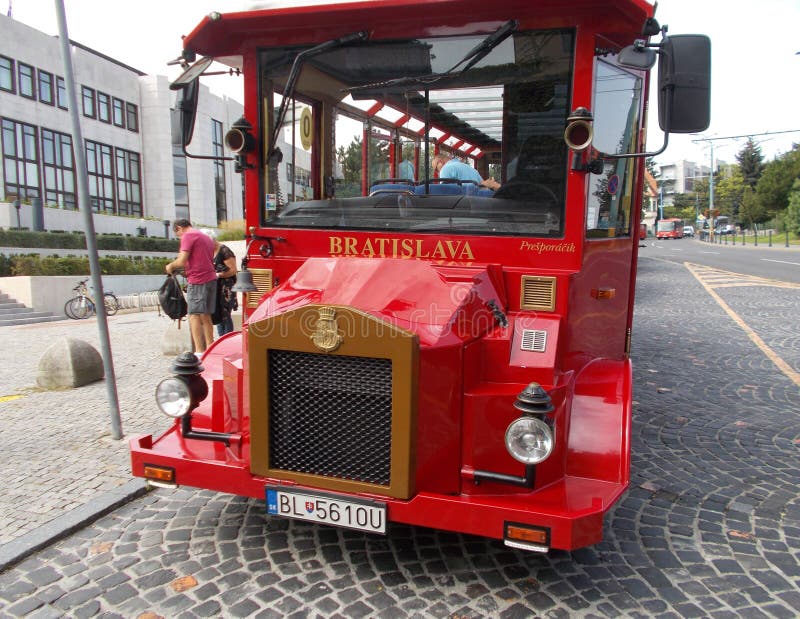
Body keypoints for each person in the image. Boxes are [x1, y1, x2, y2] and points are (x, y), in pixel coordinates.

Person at [165, 219, 216, 353]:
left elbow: (182, 261)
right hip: (211, 278)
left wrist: (170, 266)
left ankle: (199, 351)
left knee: (193, 315)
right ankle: (210, 347)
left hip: (198, 280)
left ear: (179, 228)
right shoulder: (205, 237)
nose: (180, 237)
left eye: (178, 234)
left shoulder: (188, 236)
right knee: (206, 315)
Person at [201, 228, 238, 337]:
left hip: (225, 288)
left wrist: (219, 275)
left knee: (225, 314)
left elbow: (233, 270)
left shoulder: (224, 251)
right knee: (216, 313)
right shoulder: (208, 251)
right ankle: (221, 338)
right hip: (213, 286)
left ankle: (227, 338)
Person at [431, 153, 500, 190]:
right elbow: (483, 186)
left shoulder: (445, 169)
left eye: (436, 169)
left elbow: (444, 192)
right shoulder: (471, 169)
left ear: (441, 162)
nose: (438, 173)